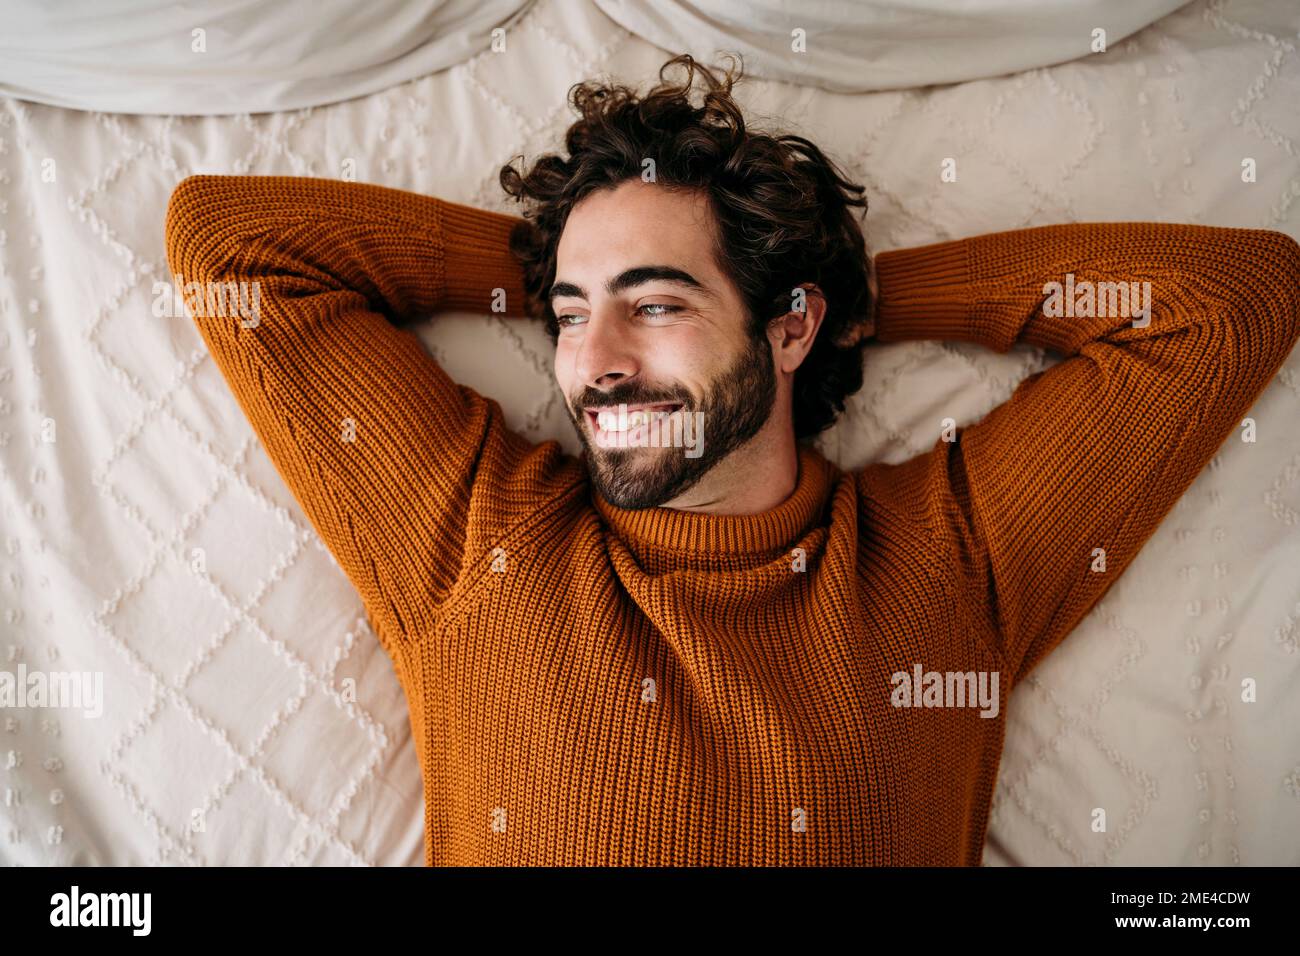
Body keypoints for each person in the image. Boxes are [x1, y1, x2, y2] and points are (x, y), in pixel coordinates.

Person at [163, 54, 1300, 865]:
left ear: (792, 328)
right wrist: (564, 266)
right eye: (564, 314)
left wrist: (846, 291)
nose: (592, 363)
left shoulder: (947, 559)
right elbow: (231, 244)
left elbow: (1228, 303)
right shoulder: (480, 540)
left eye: (652, 304)